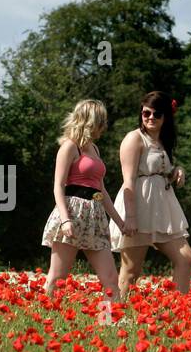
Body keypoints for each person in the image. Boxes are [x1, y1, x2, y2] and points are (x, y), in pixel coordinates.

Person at [41, 99, 133, 301]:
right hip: (72, 213)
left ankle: (108, 322)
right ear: (90, 121)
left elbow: (101, 191)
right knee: (58, 276)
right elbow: (58, 186)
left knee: (110, 278)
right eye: (101, 121)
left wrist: (120, 222)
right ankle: (44, 318)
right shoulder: (69, 147)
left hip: (95, 216)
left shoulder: (95, 149)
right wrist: (65, 220)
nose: (104, 126)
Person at [112, 91, 191, 300]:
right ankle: (113, 318)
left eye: (156, 114)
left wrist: (176, 171)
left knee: (185, 257)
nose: (150, 117)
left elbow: (161, 169)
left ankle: (177, 312)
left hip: (162, 208)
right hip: (138, 207)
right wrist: (130, 217)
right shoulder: (134, 139)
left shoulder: (162, 141)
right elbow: (129, 180)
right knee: (131, 271)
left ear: (165, 117)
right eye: (146, 113)